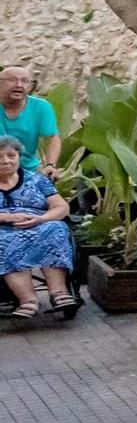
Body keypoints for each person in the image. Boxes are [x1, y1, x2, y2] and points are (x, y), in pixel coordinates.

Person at [0, 136, 75, 318]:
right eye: (0, 157)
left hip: (39, 224)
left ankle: (59, 293)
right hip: (3, 229)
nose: (6, 161)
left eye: (11, 155)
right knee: (5, 240)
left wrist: (41, 219)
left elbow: (62, 207)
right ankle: (28, 300)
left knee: (56, 230)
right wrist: (8, 217)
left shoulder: (36, 180)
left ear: (19, 156)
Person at [0, 67, 60, 171]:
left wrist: (50, 165)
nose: (19, 85)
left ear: (30, 87)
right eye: (12, 80)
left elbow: (52, 138)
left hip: (28, 171)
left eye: (25, 81)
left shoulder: (41, 107)